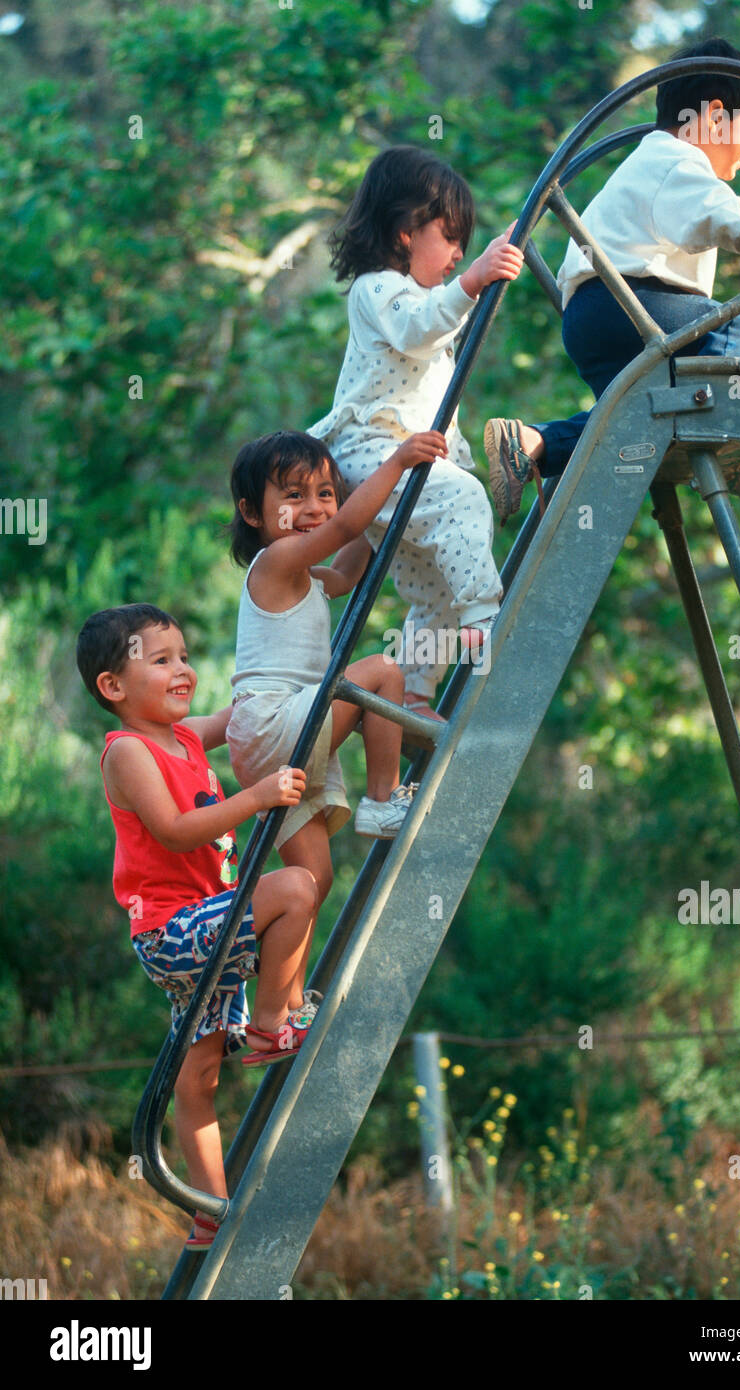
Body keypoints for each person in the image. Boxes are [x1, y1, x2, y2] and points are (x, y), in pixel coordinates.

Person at [484, 37, 740, 522]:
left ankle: (533, 443)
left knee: (635, 417)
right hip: (628, 306)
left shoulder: (650, 162)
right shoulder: (677, 160)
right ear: (712, 118)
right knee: (729, 329)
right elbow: (716, 212)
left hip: (592, 319)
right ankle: (716, 412)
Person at [77, 602, 317, 1249]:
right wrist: (256, 797)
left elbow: (239, 718)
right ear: (113, 687)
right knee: (294, 887)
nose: (183, 670)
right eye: (161, 660)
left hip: (207, 926)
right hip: (175, 931)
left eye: (184, 656)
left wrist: (307, 690)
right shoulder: (127, 752)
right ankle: (270, 1029)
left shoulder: (183, 737)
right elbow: (176, 832)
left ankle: (209, 1209)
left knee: (199, 1074)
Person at [309, 145, 524, 715]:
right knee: (464, 500)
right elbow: (418, 329)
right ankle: (486, 618)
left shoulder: (424, 299)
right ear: (407, 230)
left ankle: (414, 690)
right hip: (370, 457)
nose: (458, 255)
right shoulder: (378, 289)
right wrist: (475, 281)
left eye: (464, 246)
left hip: (403, 461)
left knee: (435, 588)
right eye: (450, 238)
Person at [226, 426, 447, 916]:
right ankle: (383, 799)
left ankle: (285, 996)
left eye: (326, 493)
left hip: (268, 745)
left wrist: (384, 516)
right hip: (277, 723)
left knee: (313, 883)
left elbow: (348, 571)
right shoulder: (277, 560)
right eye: (294, 495)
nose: (315, 507)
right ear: (251, 512)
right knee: (385, 672)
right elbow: (343, 528)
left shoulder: (303, 577)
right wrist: (397, 463)